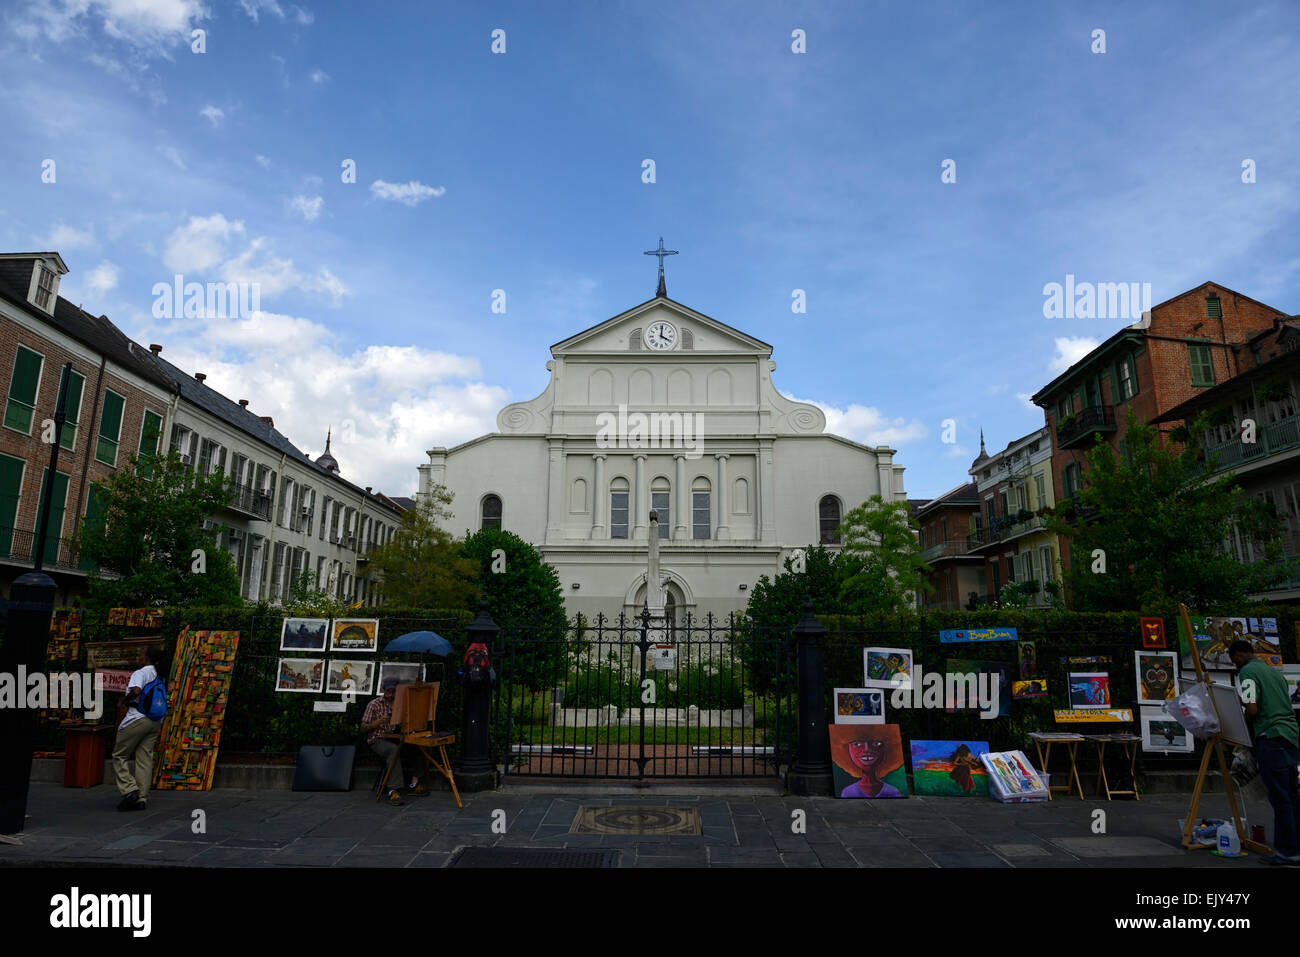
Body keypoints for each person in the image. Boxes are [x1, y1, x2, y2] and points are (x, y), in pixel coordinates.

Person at [1229, 639, 1300, 865]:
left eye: (1234, 661)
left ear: (1238, 656)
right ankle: (1295, 848)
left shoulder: (1247, 673)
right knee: (1293, 796)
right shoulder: (1274, 673)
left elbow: (1252, 707)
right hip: (1290, 736)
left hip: (1270, 737)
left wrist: (1242, 723)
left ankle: (1287, 853)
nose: (1235, 665)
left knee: (1281, 800)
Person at [110, 645, 165, 811]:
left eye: (141, 654)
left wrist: (123, 701)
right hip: (155, 721)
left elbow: (136, 690)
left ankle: (129, 790)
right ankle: (141, 798)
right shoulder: (159, 674)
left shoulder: (140, 673)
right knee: (145, 758)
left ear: (146, 657)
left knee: (119, 755)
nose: (139, 657)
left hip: (137, 719)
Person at [362, 676, 424, 805]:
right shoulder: (374, 704)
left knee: (418, 745)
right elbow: (363, 728)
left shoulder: (400, 704)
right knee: (393, 750)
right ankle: (393, 790)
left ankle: (414, 782)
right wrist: (377, 722)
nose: (391, 695)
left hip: (395, 737)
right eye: (388, 691)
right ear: (383, 690)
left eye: (394, 691)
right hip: (377, 739)